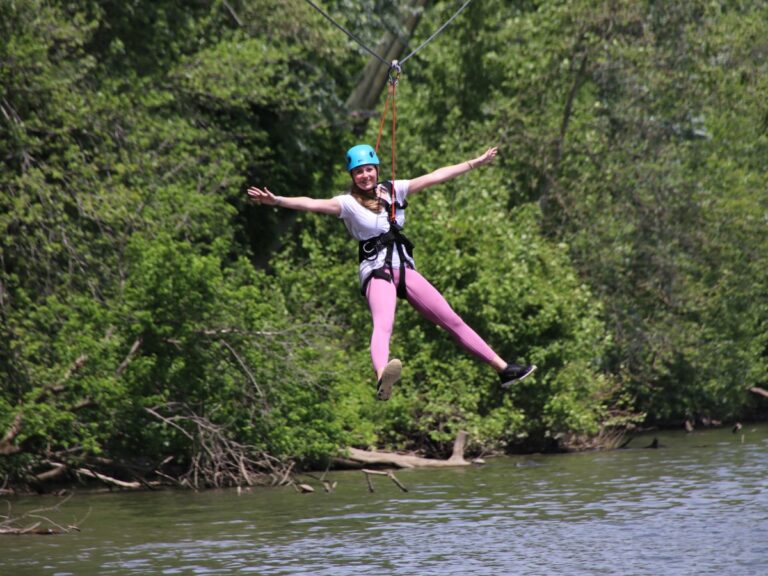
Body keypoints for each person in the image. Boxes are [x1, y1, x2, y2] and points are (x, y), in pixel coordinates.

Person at [247, 144, 536, 400]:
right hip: (377, 272)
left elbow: (436, 175)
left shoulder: (394, 189)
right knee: (384, 324)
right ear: (352, 177)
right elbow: (311, 203)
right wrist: (278, 201)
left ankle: (503, 369)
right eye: (359, 172)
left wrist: (474, 163)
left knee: (452, 320)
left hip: (405, 269)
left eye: (369, 170)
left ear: (376, 169)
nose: (365, 176)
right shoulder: (346, 204)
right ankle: (382, 378)